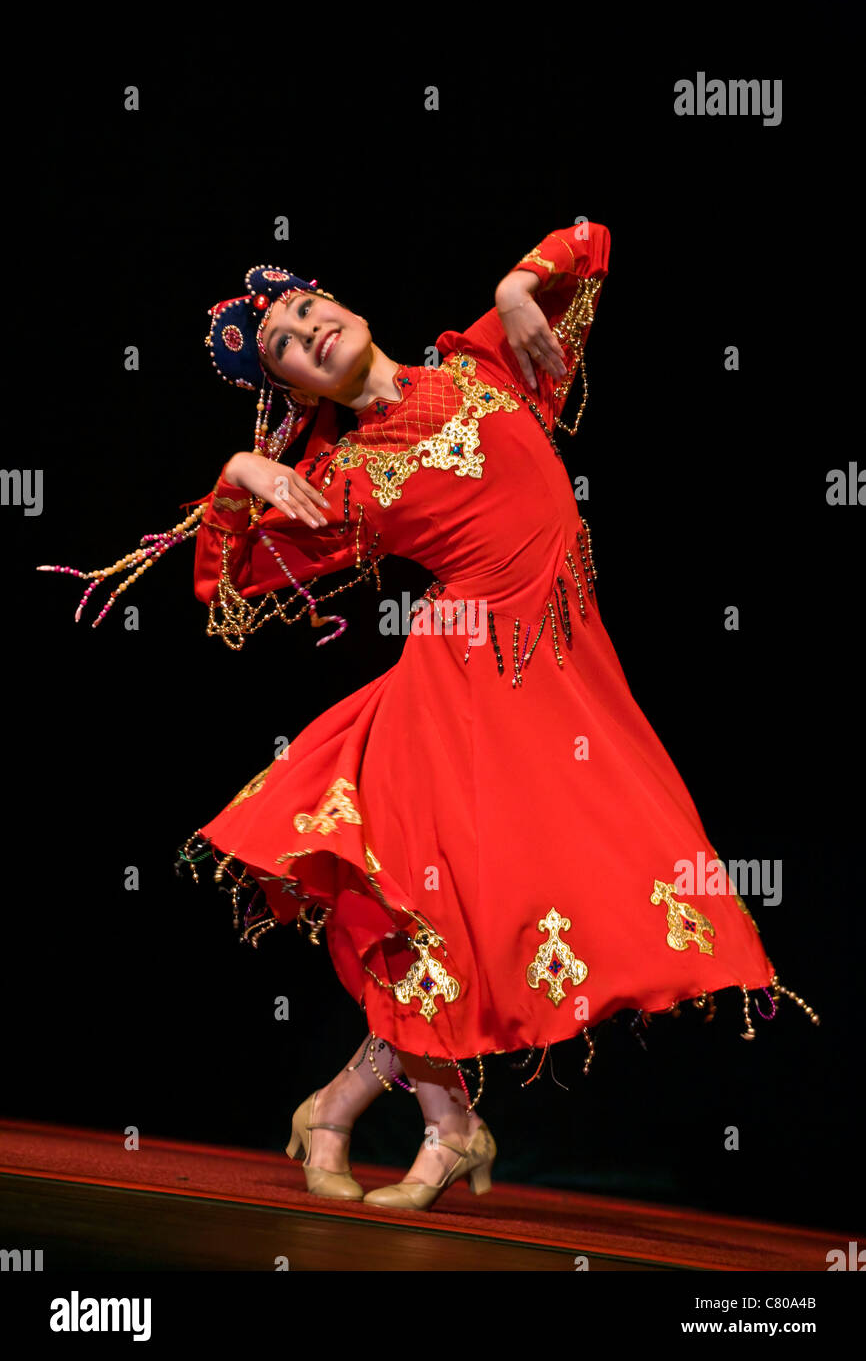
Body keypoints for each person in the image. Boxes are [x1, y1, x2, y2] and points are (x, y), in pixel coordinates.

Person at [40, 221, 819, 1213]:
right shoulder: (344, 479)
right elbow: (222, 580)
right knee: (428, 907)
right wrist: (241, 477)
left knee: (528, 900)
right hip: (454, 690)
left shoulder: (488, 357)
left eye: (307, 308)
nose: (306, 329)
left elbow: (590, 238)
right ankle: (441, 1130)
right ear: (296, 390)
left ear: (349, 306)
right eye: (283, 342)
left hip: (556, 678)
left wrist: (512, 282)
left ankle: (337, 1106)